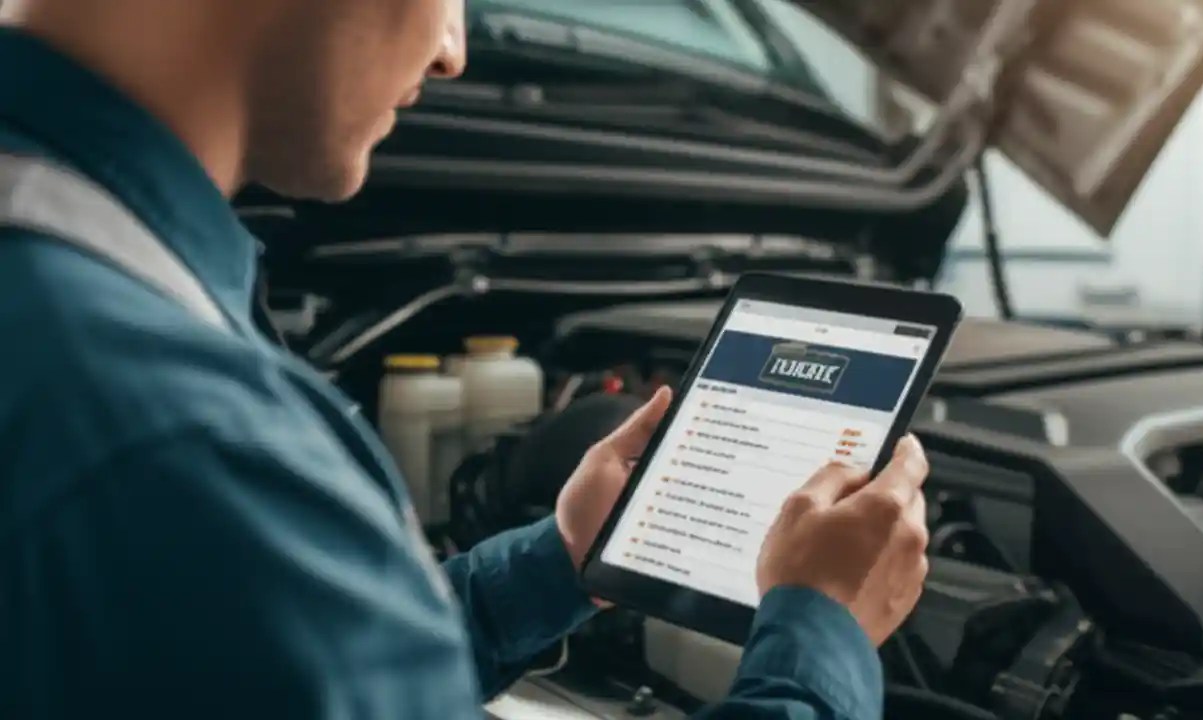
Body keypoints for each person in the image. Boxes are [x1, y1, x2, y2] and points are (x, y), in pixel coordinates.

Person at [0, 1, 932, 718]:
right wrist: (821, 641)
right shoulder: (178, 439)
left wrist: (555, 565)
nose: (454, 46)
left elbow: (227, 654)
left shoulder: (63, 277)